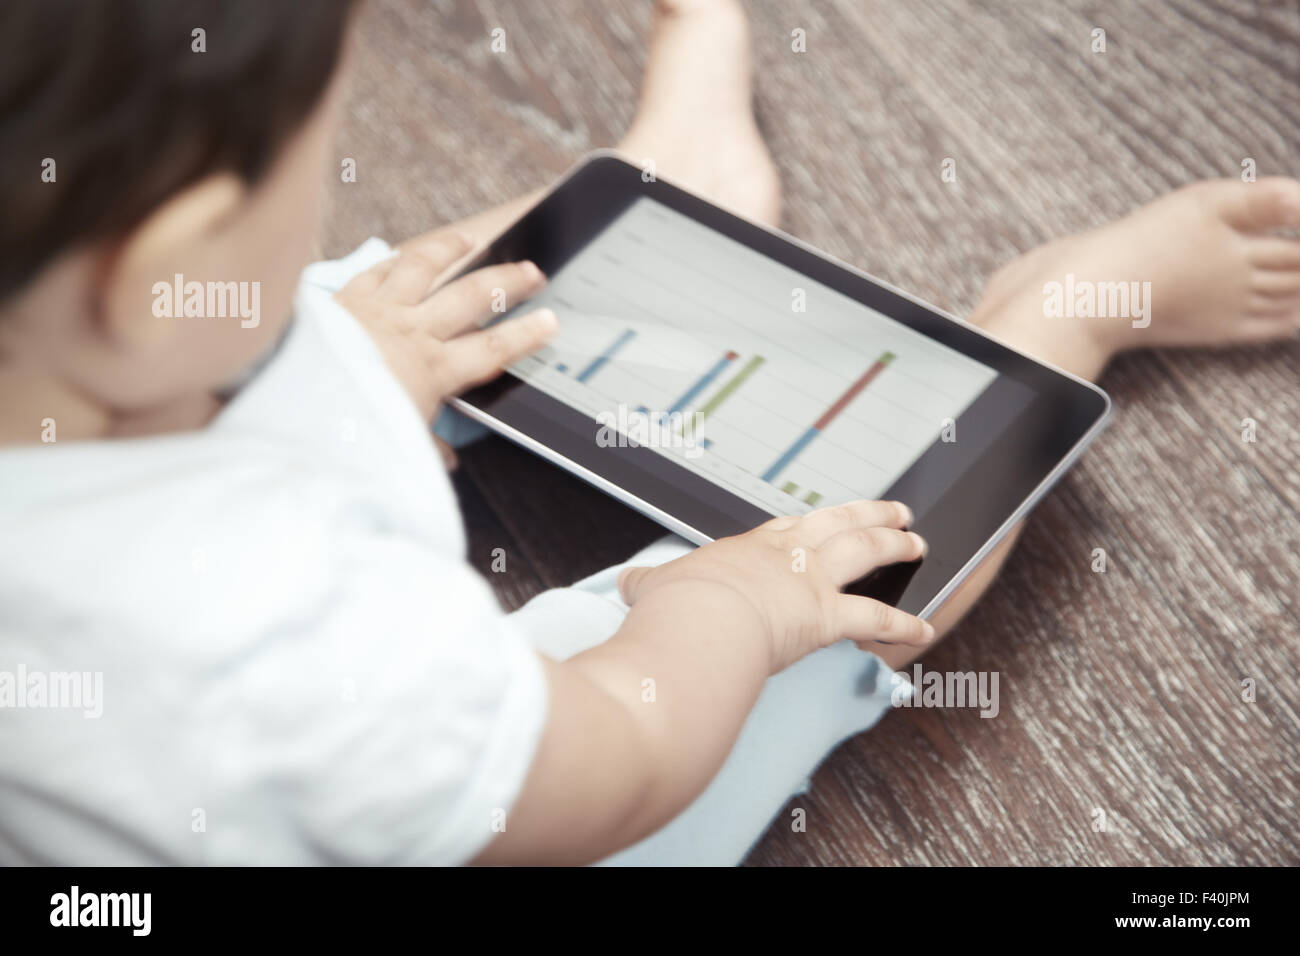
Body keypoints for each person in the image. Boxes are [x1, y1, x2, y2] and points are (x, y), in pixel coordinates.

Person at [1, 0, 1296, 865]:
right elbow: (607, 765)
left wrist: (333, 349)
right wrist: (729, 609)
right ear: (151, 277)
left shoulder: (72, 344)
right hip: (490, 812)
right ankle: (1058, 322)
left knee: (388, 308)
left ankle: (662, 197)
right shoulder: (295, 649)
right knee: (838, 577)